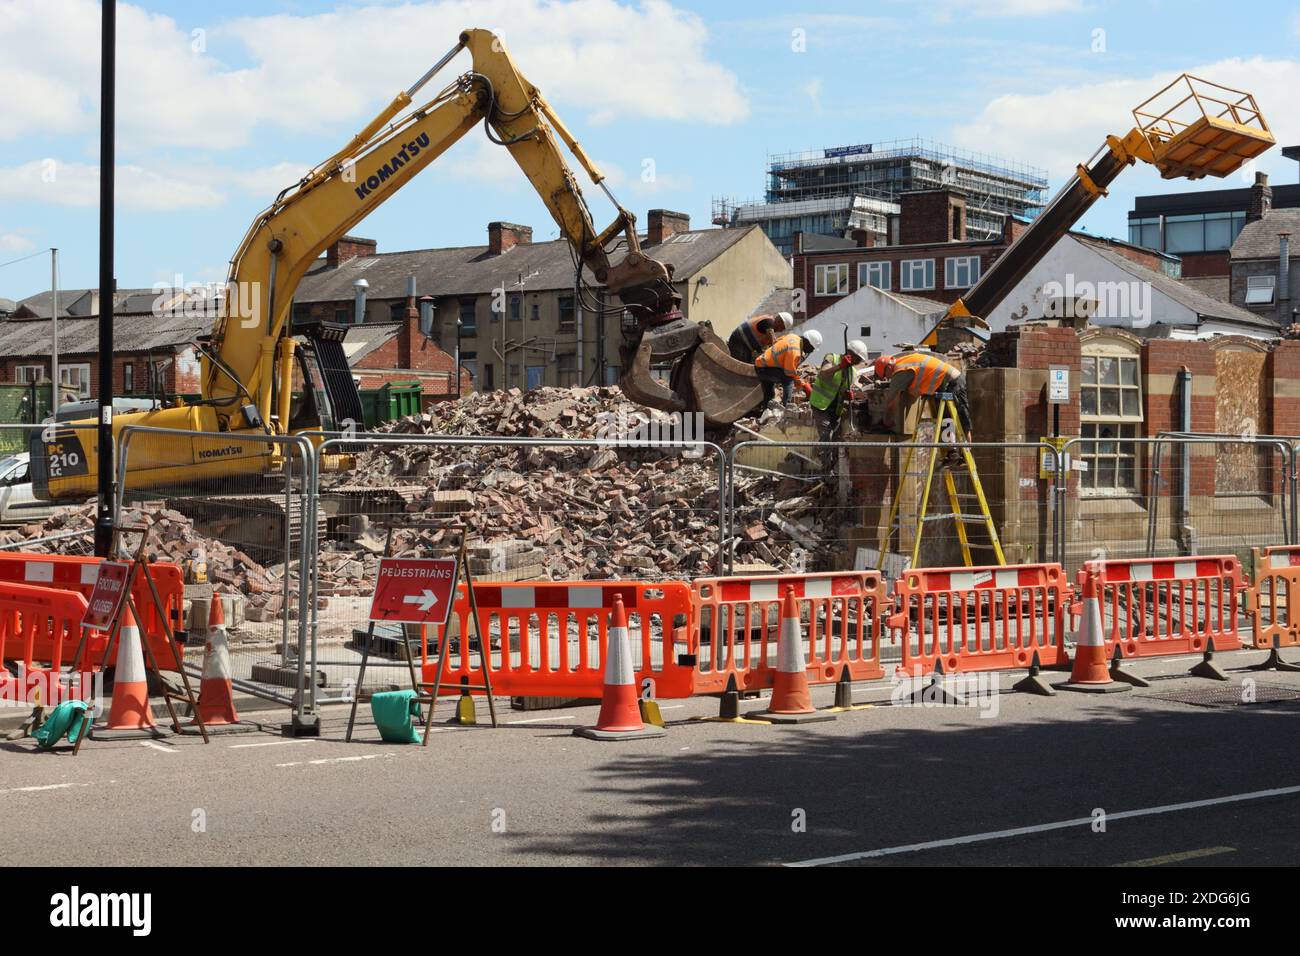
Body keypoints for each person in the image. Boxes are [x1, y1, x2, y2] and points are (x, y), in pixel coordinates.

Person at [873, 349, 973, 439]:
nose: (889, 378)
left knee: (961, 421)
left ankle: (966, 452)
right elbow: (915, 388)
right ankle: (952, 453)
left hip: (953, 382)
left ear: (888, 368)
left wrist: (887, 422)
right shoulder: (904, 362)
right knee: (946, 421)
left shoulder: (900, 370)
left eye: (886, 376)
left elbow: (892, 402)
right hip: (945, 383)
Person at [810, 339, 871, 465]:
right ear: (850, 353)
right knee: (825, 434)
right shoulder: (832, 358)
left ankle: (834, 464)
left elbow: (842, 390)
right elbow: (823, 374)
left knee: (837, 438)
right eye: (858, 358)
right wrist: (840, 366)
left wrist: (848, 396)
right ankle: (826, 467)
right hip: (820, 404)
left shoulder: (852, 372)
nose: (859, 362)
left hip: (836, 409)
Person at [755, 329, 822, 407]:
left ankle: (766, 412)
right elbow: (789, 372)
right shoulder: (795, 350)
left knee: (769, 393)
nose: (811, 351)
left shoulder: (792, 336)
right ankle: (787, 406)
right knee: (788, 380)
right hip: (766, 369)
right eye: (812, 348)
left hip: (761, 365)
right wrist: (804, 385)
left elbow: (777, 342)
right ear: (808, 343)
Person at [728, 311, 792, 363]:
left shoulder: (768, 331)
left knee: (750, 363)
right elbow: (774, 344)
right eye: (782, 328)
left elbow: (764, 349)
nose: (781, 331)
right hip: (738, 341)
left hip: (746, 347)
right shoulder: (769, 322)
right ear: (779, 322)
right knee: (740, 364)